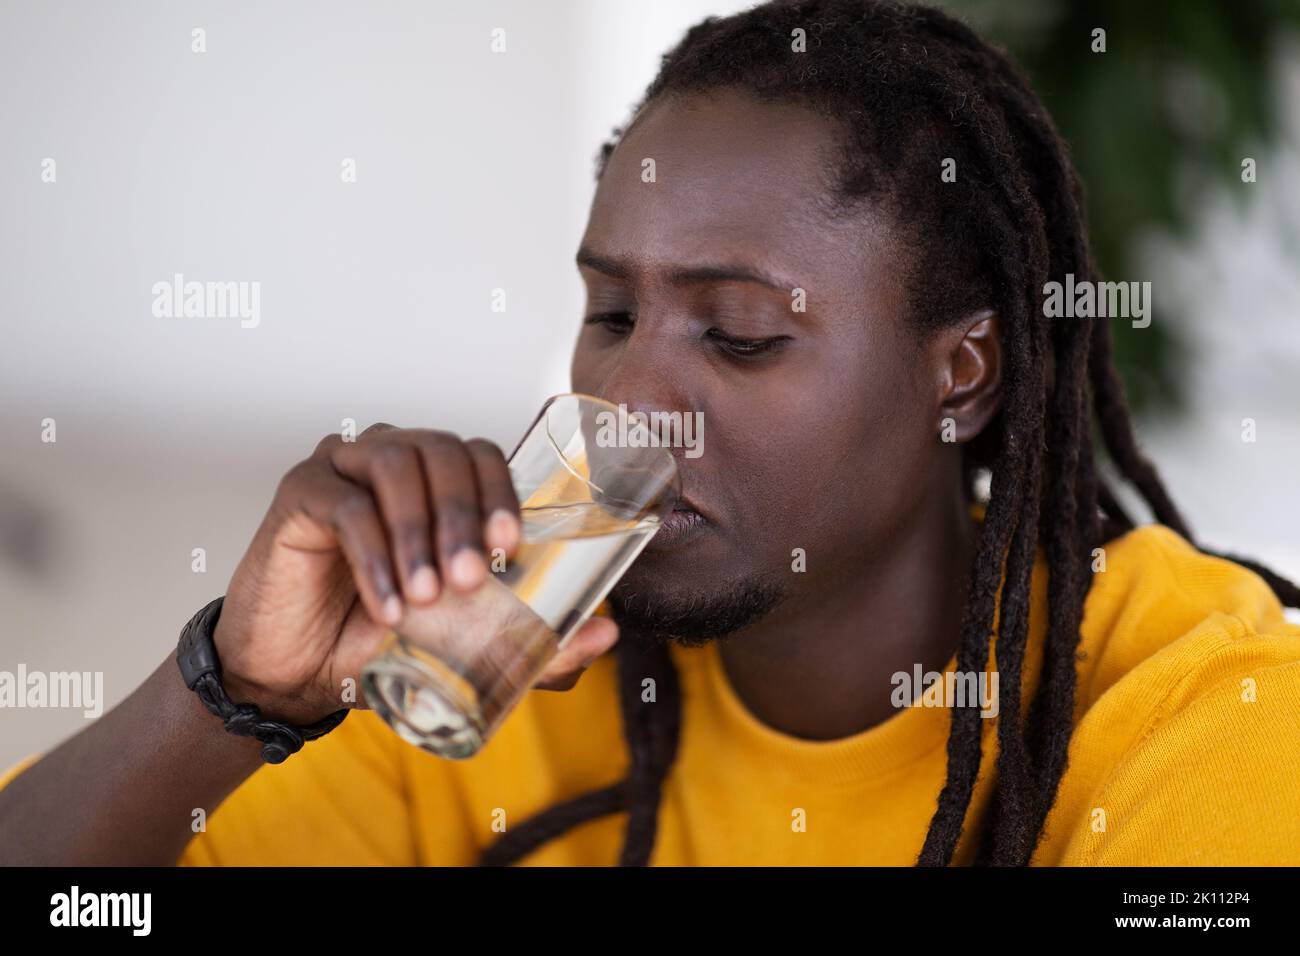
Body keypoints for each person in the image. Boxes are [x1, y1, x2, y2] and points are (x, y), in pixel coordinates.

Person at [2, 0, 1298, 867]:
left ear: (961, 374)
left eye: (737, 333)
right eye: (610, 310)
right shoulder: (498, 684)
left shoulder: (1194, 710)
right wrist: (237, 696)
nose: (630, 395)